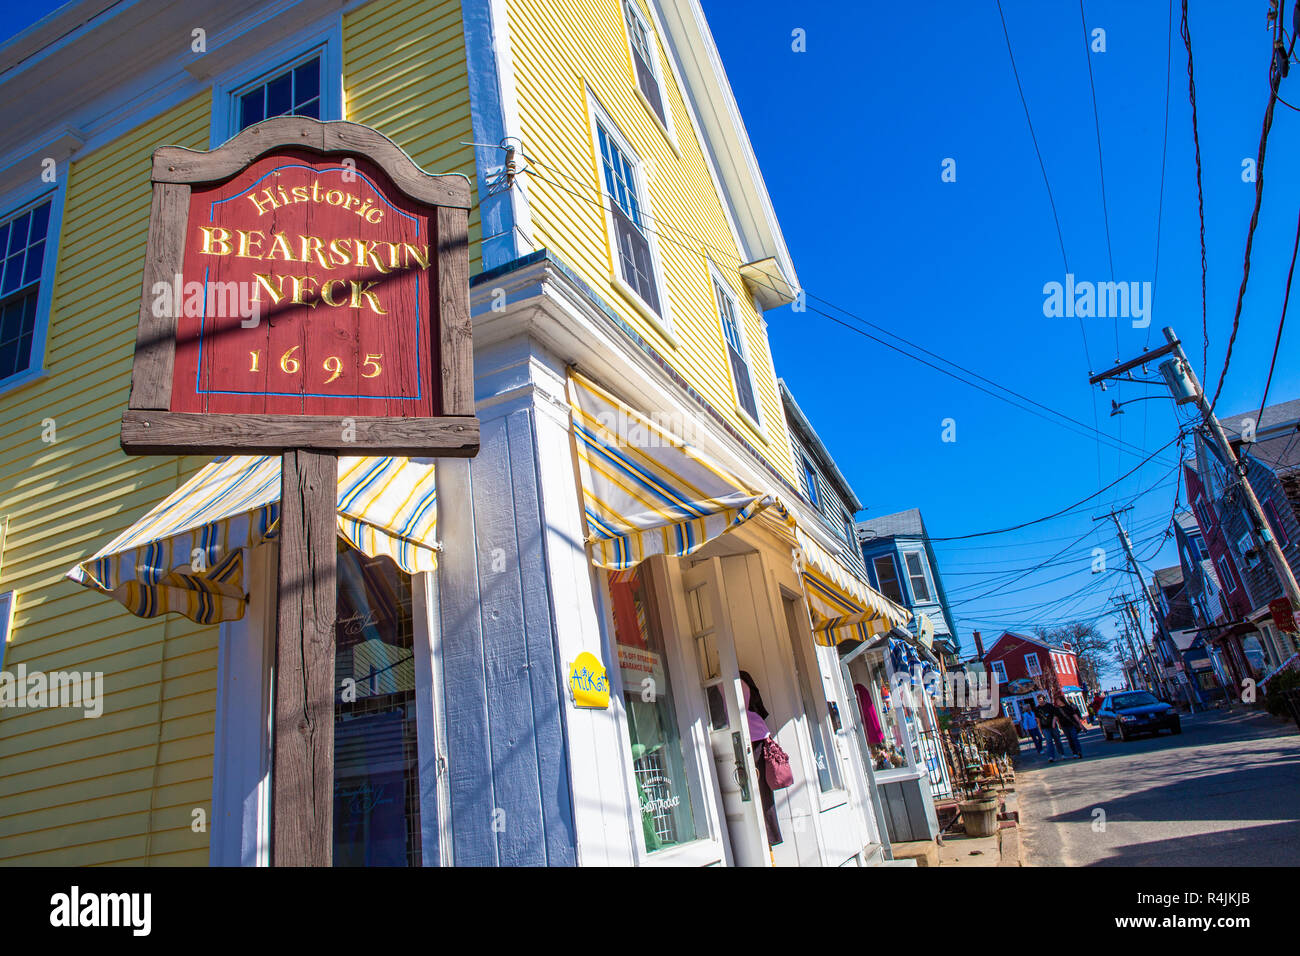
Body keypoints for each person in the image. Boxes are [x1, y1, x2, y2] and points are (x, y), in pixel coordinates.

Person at [739, 670, 782, 847]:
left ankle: (761, 842)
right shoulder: (744, 678)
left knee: (752, 790)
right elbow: (758, 705)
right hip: (757, 733)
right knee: (763, 789)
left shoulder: (732, 681)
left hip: (751, 736)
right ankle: (770, 838)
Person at [1033, 694, 1065, 763]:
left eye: (1041, 699)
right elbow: (1038, 720)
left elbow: (1055, 715)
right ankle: (1051, 756)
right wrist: (1040, 729)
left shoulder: (1049, 706)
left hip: (1053, 726)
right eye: (1038, 700)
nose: (1040, 701)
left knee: (1057, 740)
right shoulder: (1037, 709)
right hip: (1045, 727)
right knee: (1049, 742)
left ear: (1043, 699)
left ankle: (1062, 754)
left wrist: (1058, 724)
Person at [1057, 695, 1084, 759]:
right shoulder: (1058, 709)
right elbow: (1057, 718)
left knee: (1074, 738)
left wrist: (1080, 723)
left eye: (1058, 701)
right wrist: (1059, 725)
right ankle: (1074, 753)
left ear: (1062, 701)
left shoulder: (1069, 707)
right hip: (1064, 726)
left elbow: (1075, 715)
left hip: (1071, 725)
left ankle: (1079, 752)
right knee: (1070, 740)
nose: (1057, 702)